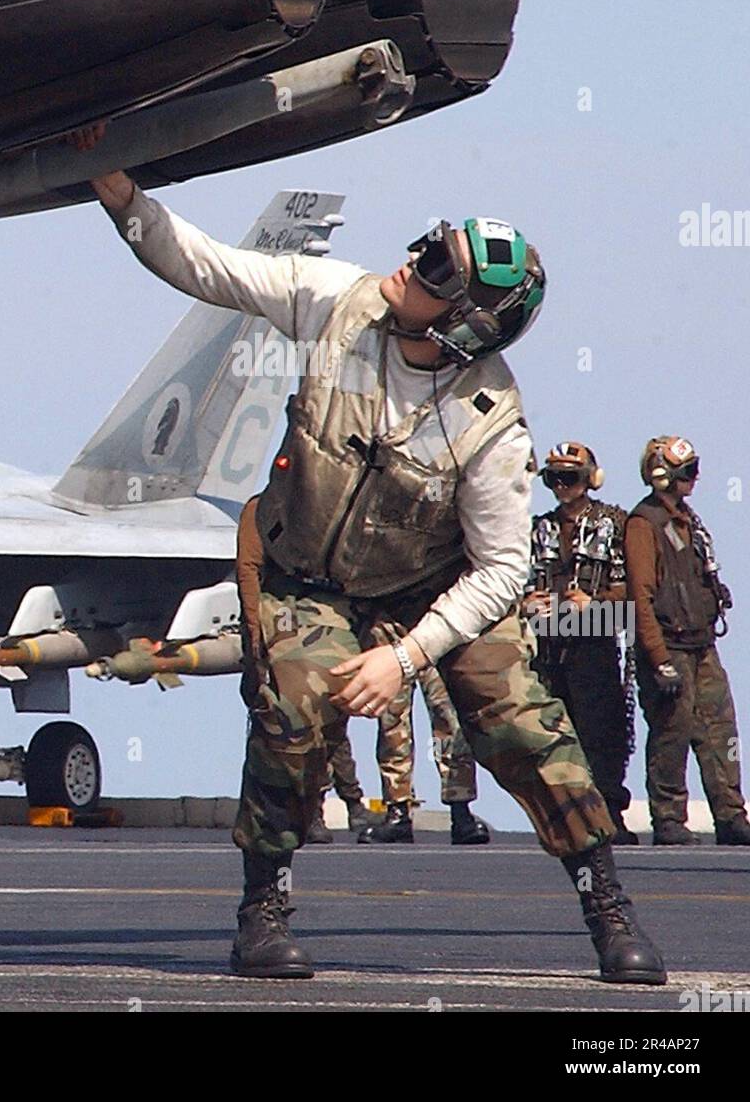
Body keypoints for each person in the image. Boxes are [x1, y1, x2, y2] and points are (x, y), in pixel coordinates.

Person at [93, 168, 666, 987]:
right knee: (294, 709)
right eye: (430, 245)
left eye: (438, 268)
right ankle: (263, 911)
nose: (411, 260)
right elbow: (206, 265)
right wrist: (121, 196)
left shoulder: (490, 420)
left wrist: (405, 659)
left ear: (467, 323)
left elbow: (503, 568)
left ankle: (609, 908)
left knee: (525, 726)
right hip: (311, 579)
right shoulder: (340, 302)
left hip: (435, 588)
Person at [625, 437, 750, 847]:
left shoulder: (688, 520)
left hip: (702, 645)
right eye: (688, 471)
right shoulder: (645, 524)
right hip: (670, 646)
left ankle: (731, 816)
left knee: (720, 732)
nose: (694, 479)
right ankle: (668, 819)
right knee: (671, 732)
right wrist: (658, 657)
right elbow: (640, 598)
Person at [522, 442, 637, 845]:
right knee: (552, 735)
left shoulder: (615, 524)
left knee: (602, 733)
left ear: (590, 479)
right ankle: (564, 820)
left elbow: (634, 595)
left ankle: (610, 814)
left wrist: (596, 603)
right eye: (554, 478)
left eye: (570, 477)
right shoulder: (538, 529)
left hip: (595, 646)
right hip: (549, 647)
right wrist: (526, 604)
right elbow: (513, 583)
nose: (561, 486)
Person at [236, 497, 369, 844]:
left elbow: (248, 572)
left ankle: (318, 811)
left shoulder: (267, 507)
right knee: (318, 726)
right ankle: (321, 810)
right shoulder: (334, 502)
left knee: (305, 729)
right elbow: (249, 571)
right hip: (314, 635)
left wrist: (254, 643)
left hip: (297, 638)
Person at [359, 667, 490, 845]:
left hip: (436, 645)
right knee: (392, 730)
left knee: (448, 726)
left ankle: (460, 811)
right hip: (392, 647)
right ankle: (398, 812)